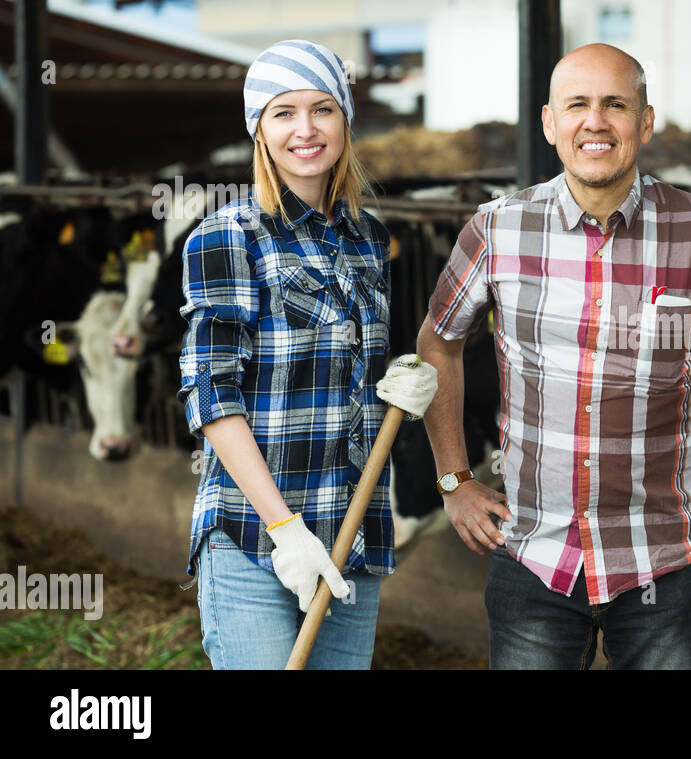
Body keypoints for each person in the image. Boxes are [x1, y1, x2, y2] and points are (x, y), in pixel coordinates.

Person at [418, 43, 691, 669]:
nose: (596, 122)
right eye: (577, 105)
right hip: (533, 557)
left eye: (616, 105)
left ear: (646, 121)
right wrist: (454, 480)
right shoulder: (497, 229)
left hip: (662, 559)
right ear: (551, 123)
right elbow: (437, 343)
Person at [177, 39, 435, 669]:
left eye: (323, 109)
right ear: (258, 130)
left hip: (353, 535)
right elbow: (211, 389)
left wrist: (399, 383)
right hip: (254, 537)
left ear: (346, 119)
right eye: (283, 112)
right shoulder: (226, 234)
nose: (306, 130)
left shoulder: (369, 239)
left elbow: (348, 378)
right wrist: (284, 529)